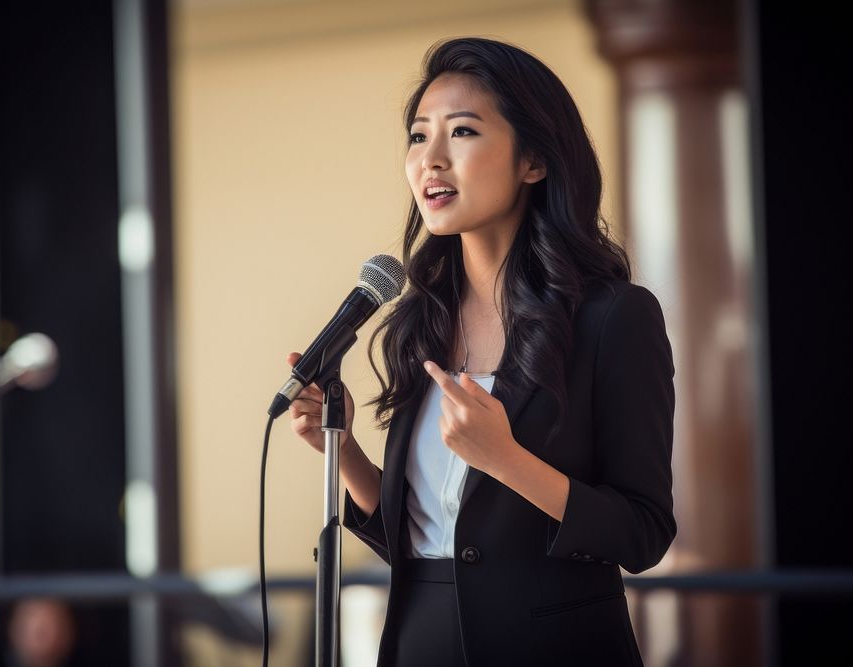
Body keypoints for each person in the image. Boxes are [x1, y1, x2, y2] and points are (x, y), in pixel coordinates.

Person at [286, 36, 675, 666]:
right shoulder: (421, 319)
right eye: (418, 137)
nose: (430, 160)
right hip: (419, 644)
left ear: (534, 161)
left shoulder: (613, 318)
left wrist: (506, 460)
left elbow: (643, 535)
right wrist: (344, 448)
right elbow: (428, 540)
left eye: (462, 132)